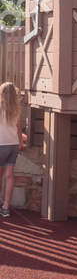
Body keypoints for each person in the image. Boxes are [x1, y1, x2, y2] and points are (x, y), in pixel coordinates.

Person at [0, 82, 27, 217]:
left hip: (1, 145)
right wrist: (21, 142)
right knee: (10, 176)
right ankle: (5, 207)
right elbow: (18, 127)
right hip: (13, 145)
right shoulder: (16, 109)